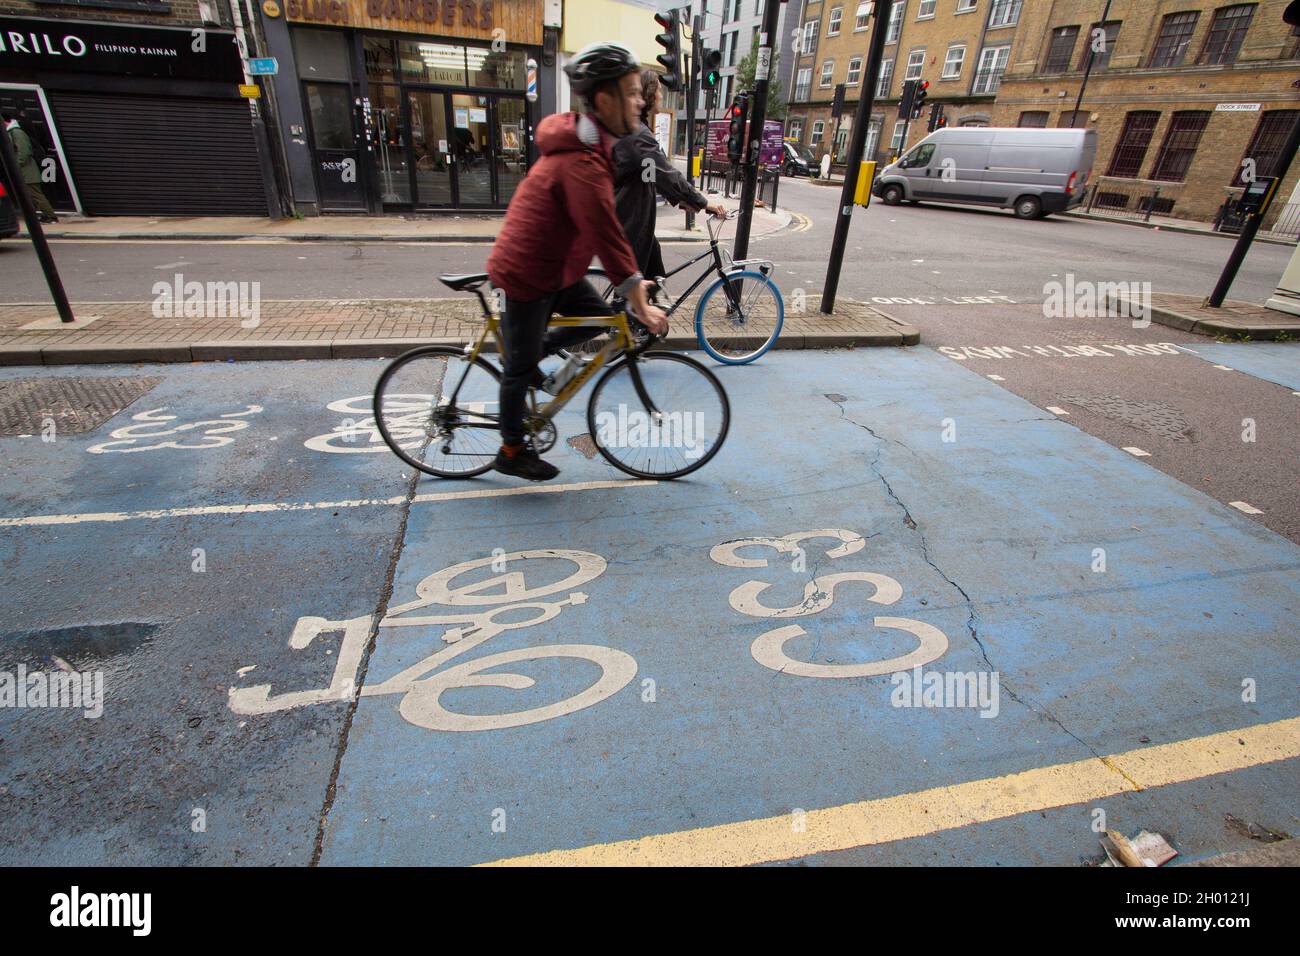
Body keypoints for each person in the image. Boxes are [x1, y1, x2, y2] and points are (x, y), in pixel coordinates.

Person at [485, 42, 669, 482]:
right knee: (518, 370)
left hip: (560, 270)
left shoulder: (595, 145)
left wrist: (632, 289)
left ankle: (530, 356)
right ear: (603, 100)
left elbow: (604, 230)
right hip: (527, 273)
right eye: (630, 92)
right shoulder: (582, 160)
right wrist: (639, 298)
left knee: (603, 321)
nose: (640, 100)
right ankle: (511, 449)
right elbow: (604, 230)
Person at [613, 70, 725, 280]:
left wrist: (683, 200)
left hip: (633, 222)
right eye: (659, 91)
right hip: (631, 224)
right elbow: (667, 174)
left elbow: (652, 176)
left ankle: (647, 309)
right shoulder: (640, 135)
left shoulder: (638, 130)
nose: (662, 96)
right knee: (637, 293)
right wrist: (702, 202)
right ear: (649, 94)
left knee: (656, 283)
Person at [2, 112, 58, 223]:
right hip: (23, 170)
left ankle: (51, 216)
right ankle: (45, 215)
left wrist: (16, 165)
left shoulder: (17, 132)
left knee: (36, 194)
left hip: (27, 170)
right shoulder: (11, 132)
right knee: (31, 195)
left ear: (5, 121)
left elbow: (24, 151)